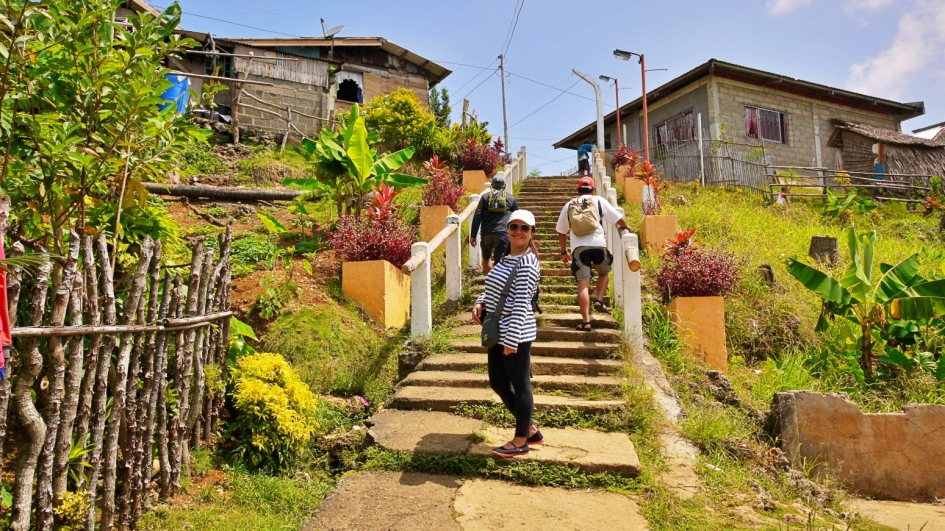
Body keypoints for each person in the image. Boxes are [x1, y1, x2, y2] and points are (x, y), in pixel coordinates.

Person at [471, 210, 542, 458]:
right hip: (497, 329)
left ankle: (521, 440)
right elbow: (495, 285)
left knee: (521, 385)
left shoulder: (528, 262)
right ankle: (531, 429)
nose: (518, 231)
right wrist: (481, 301)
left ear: (532, 232)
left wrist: (511, 340)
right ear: (508, 229)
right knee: (498, 382)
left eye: (524, 228)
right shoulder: (505, 255)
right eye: (514, 226)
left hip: (516, 334)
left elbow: (523, 302)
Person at [556, 176, 632, 331]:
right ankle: (598, 300)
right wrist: (626, 228)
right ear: (593, 189)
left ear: (578, 190)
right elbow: (618, 218)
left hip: (579, 249)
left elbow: (561, 231)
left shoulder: (569, 204)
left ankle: (586, 322)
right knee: (604, 272)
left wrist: (564, 252)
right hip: (598, 245)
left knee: (582, 285)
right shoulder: (598, 200)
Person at [470, 175, 519, 274]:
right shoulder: (511, 198)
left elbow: (477, 216)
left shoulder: (485, 197)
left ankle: (489, 282)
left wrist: (473, 235)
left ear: (491, 186)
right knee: (499, 262)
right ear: (504, 186)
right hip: (502, 234)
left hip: (486, 234)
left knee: (486, 258)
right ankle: (497, 284)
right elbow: (517, 217)